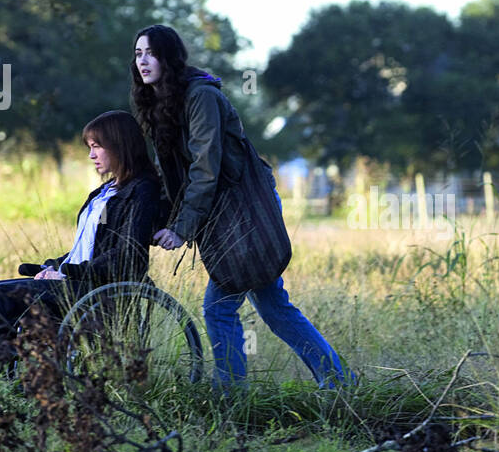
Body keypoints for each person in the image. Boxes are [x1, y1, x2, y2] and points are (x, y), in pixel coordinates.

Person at [130, 24, 351, 389]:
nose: (143, 61)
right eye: (138, 54)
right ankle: (340, 385)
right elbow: (172, 175)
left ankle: (231, 396)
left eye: (151, 53)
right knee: (274, 307)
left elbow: (205, 167)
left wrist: (182, 227)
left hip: (245, 209)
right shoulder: (162, 105)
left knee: (219, 310)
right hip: (222, 212)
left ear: (169, 57)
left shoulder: (200, 97)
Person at [0, 111, 162, 376]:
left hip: (94, 287)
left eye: (97, 147)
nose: (91, 155)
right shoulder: (103, 192)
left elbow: (128, 255)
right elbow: (86, 247)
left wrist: (66, 272)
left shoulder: (142, 190)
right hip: (72, 279)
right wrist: (52, 265)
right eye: (89, 148)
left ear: (120, 145)